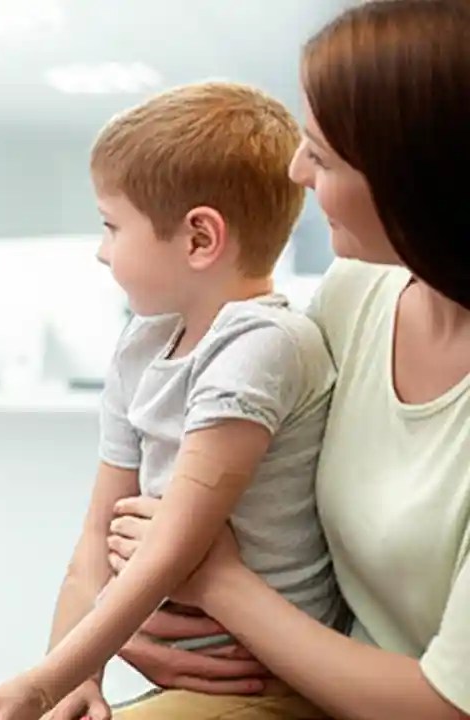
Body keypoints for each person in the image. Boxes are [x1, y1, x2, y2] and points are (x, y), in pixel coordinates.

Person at [107, 2, 470, 719]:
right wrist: (135, 618)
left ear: (418, 176)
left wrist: (216, 584)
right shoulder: (356, 291)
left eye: (324, 155)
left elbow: (445, 705)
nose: (297, 170)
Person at [0, 82, 344, 720]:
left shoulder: (263, 346)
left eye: (113, 226)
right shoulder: (143, 344)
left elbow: (174, 548)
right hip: (182, 685)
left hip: (265, 688)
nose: (101, 249)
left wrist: (41, 683)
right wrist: (73, 677)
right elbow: (97, 534)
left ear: (200, 238)